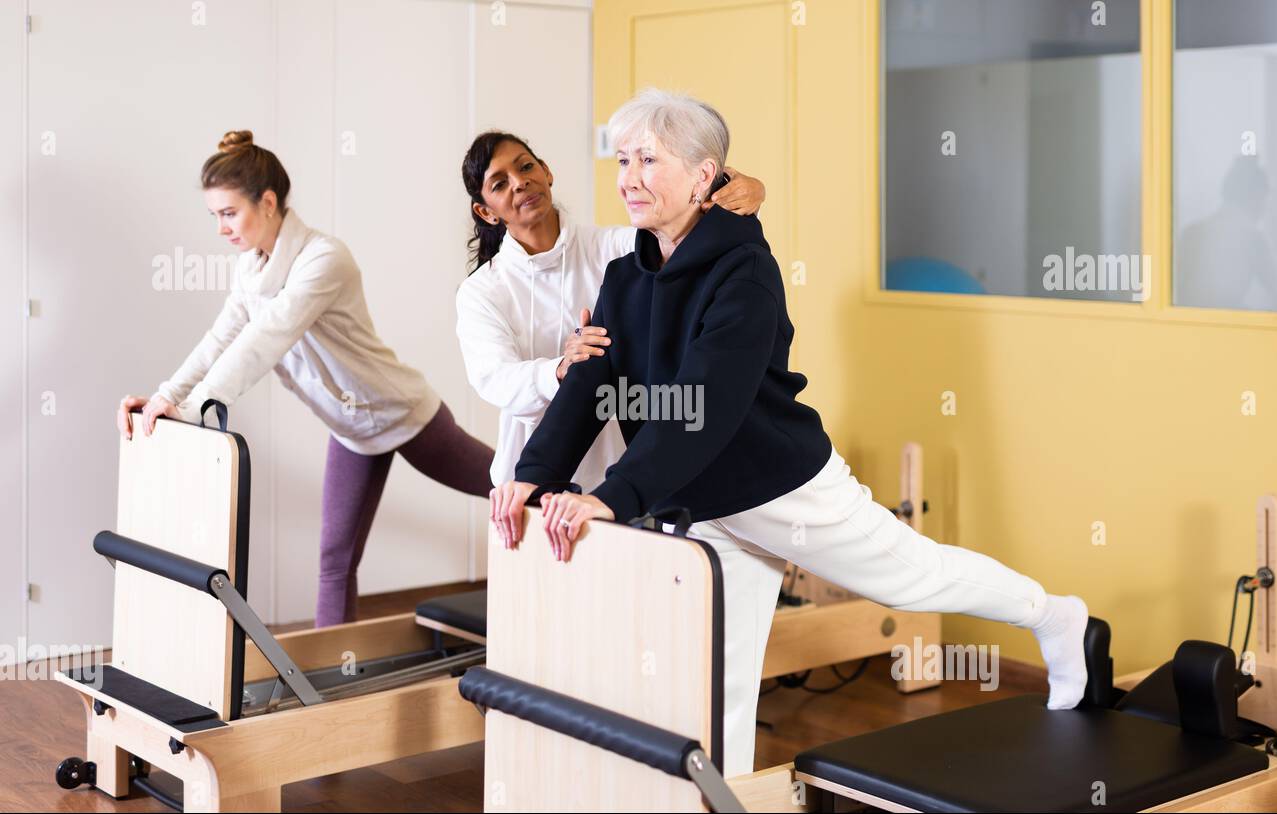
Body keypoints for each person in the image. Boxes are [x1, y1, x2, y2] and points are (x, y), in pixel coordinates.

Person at [490, 90, 1090, 778]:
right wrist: (533, 474)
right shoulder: (627, 274)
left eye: (649, 159)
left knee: (912, 580)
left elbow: (707, 405)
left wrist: (614, 494)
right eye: (623, 158)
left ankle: (1052, 616)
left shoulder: (744, 273)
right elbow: (594, 378)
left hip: (781, 488)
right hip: (698, 500)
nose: (628, 176)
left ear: (703, 174)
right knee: (716, 681)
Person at [115, 130, 494, 627]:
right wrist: (166, 397)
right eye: (215, 216)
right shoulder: (252, 270)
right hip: (351, 428)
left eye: (229, 213)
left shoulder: (323, 259)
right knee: (335, 562)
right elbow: (220, 338)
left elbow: (267, 337)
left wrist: (194, 409)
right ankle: (331, 689)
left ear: (267, 202)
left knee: (509, 484)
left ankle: (589, 513)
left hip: (403, 412)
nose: (222, 229)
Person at [455, 130, 765, 491]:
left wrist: (751, 191)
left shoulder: (616, 249)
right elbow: (494, 377)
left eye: (526, 167)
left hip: (621, 471)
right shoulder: (481, 291)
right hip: (533, 477)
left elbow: (683, 232)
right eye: (499, 184)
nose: (520, 183)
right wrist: (558, 369)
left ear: (546, 171)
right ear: (485, 212)